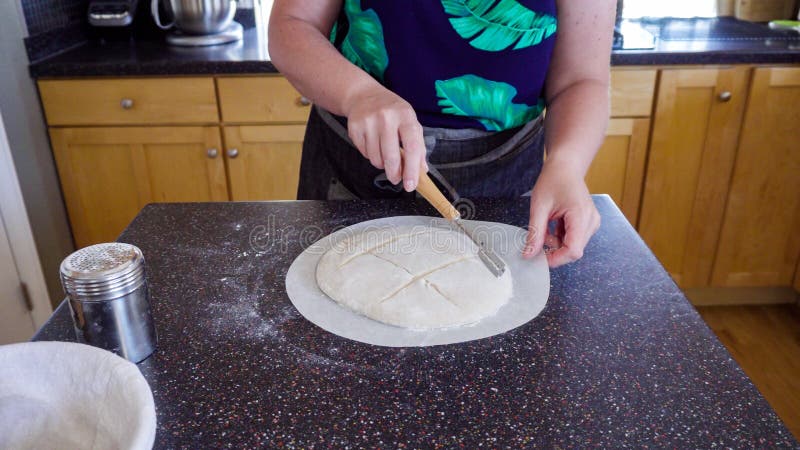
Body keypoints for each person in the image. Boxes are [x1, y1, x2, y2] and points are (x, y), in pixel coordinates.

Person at [268, 0, 614, 267]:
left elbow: (581, 79)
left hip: (508, 174)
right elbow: (293, 23)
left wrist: (567, 165)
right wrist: (358, 94)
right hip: (353, 165)